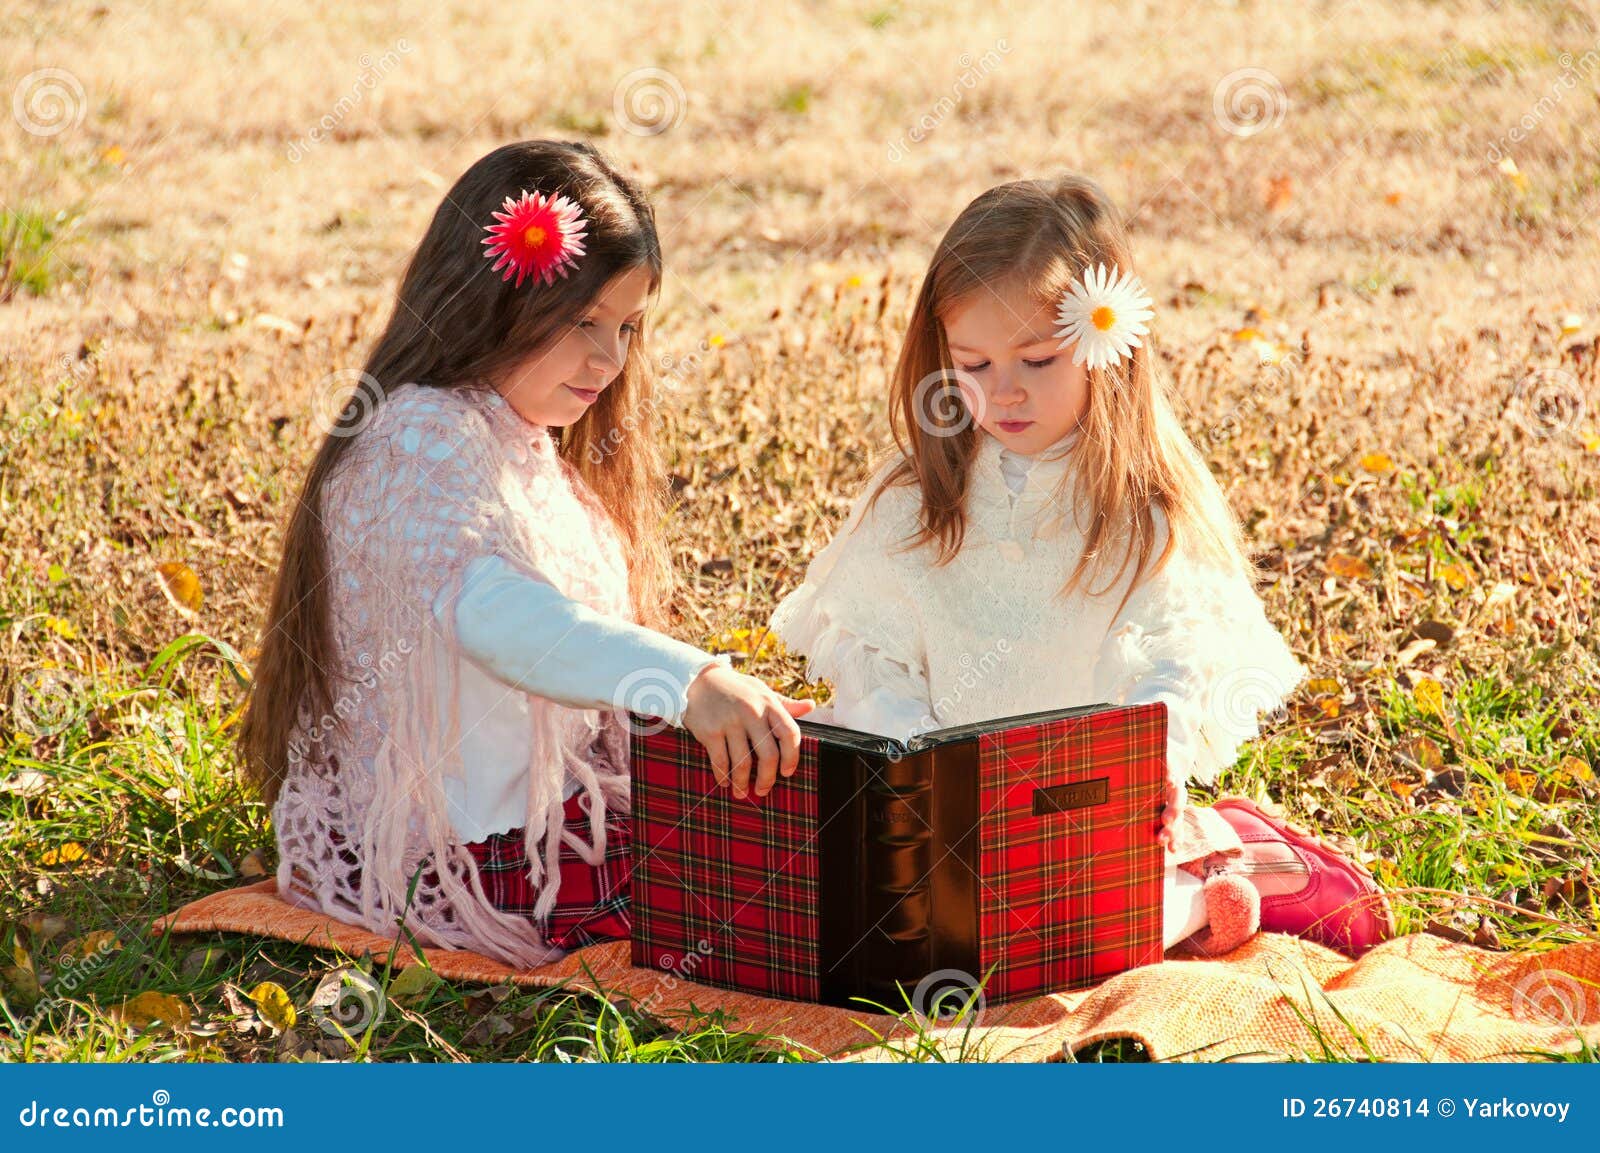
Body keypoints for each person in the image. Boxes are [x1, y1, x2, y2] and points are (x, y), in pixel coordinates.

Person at [769, 174, 1394, 958]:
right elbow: (872, 655)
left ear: (1104, 344)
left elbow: (1177, 655)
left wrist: (1157, 761)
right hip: (933, 810)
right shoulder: (916, 498)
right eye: (974, 363)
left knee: (1082, 927)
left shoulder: (1139, 507)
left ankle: (1212, 881)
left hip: (1077, 818)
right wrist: (920, 761)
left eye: (1037, 360)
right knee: (849, 897)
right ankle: (1204, 869)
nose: (1004, 392)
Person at [238, 140, 814, 968]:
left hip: (541, 825)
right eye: (584, 322)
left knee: (804, 825)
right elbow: (503, 617)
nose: (610, 358)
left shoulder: (516, 439)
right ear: (494, 299)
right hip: (470, 855)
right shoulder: (417, 438)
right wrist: (687, 679)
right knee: (773, 888)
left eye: (626, 326)